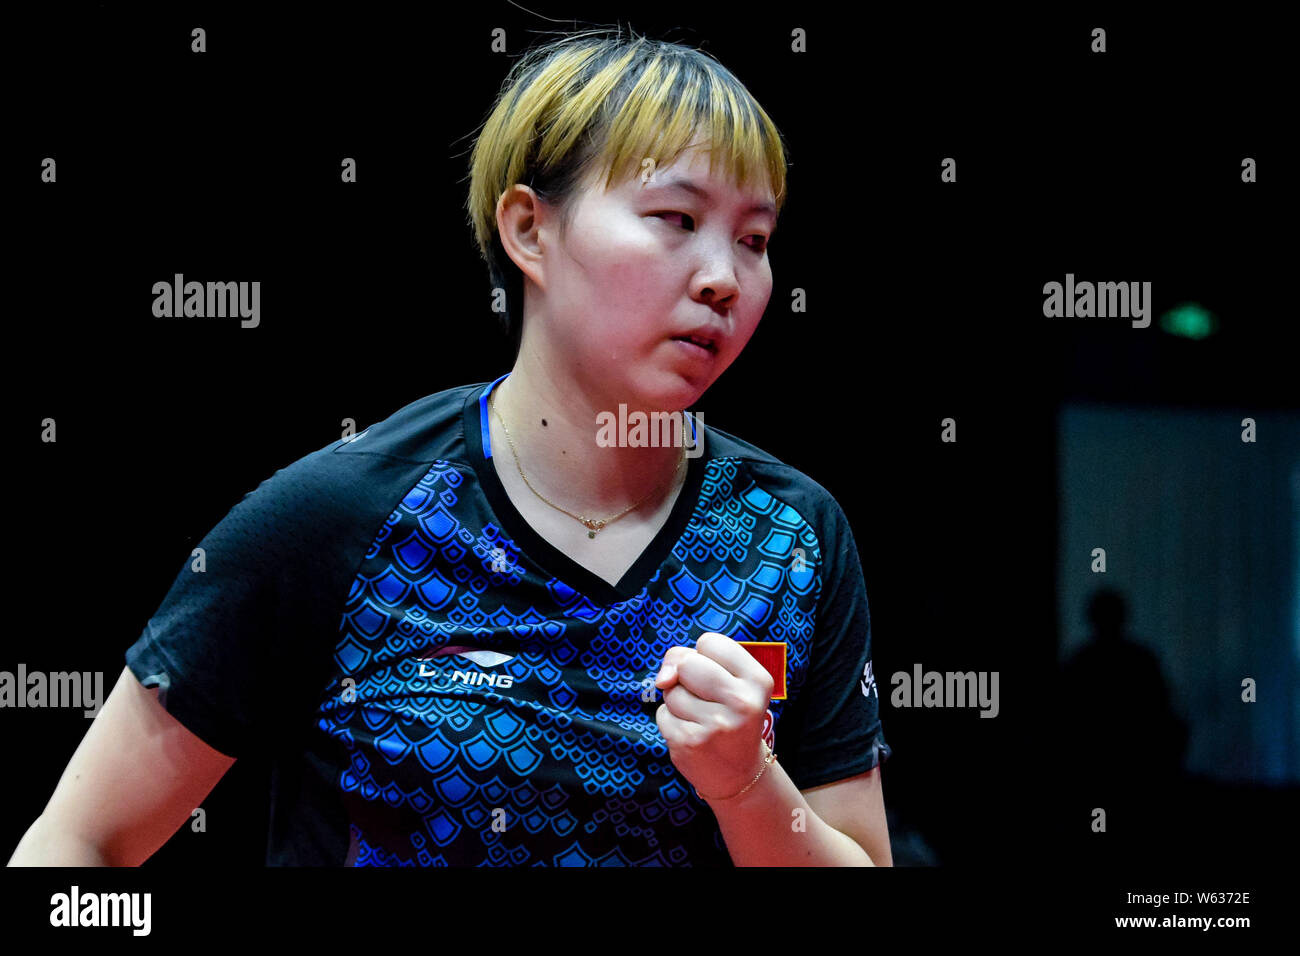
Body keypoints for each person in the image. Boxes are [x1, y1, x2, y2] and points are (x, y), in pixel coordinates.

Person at [7, 26, 891, 867]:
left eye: (755, 240)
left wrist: (746, 786)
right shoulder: (344, 517)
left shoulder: (789, 543)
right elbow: (76, 845)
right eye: (673, 218)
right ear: (528, 231)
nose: (723, 278)